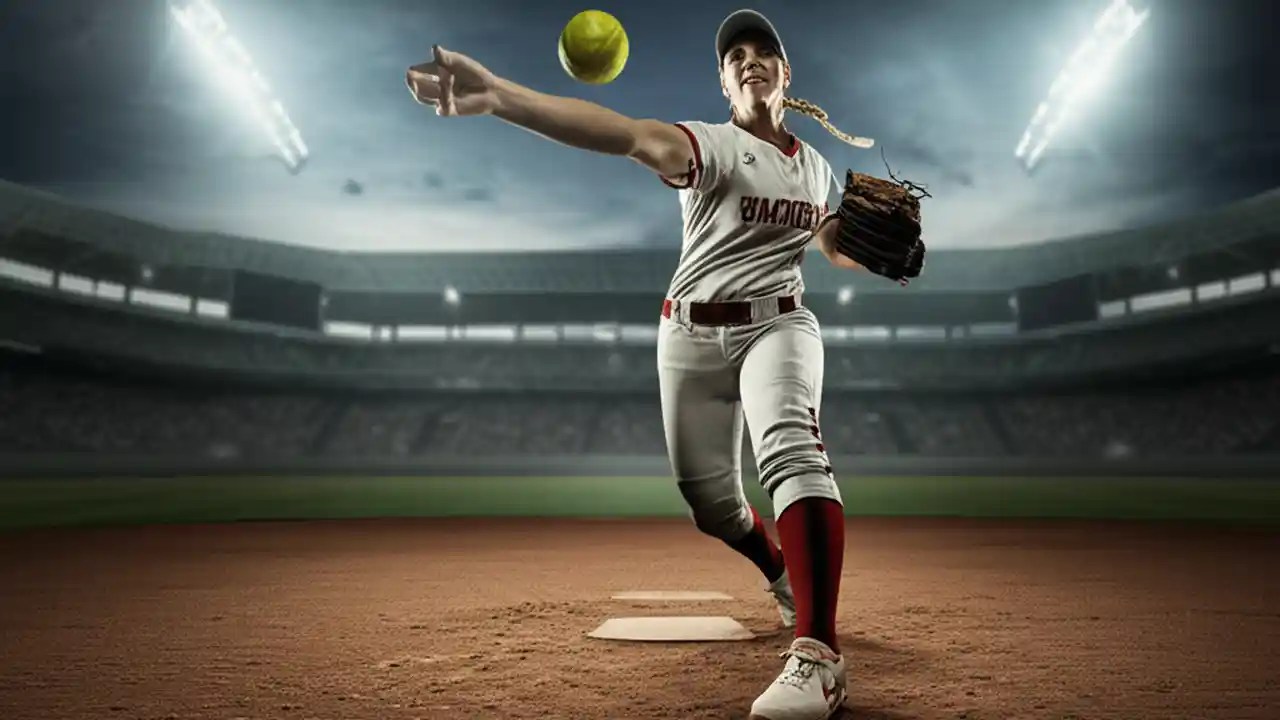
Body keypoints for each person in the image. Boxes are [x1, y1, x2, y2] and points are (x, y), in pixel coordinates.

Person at [407, 9, 875, 720]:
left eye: (764, 51)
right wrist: (499, 94)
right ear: (724, 82)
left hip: (780, 325)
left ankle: (819, 653)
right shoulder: (708, 146)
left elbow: (827, 238)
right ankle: (779, 570)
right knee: (710, 506)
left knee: (790, 447)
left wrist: (862, 245)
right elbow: (622, 134)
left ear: (787, 73)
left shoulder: (815, 165)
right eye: (735, 55)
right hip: (688, 336)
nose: (751, 60)